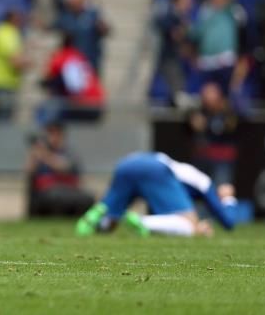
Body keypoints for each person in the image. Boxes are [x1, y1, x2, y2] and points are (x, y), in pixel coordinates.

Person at [76, 152, 238, 237]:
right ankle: (143, 222)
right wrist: (227, 198)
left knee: (111, 221)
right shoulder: (205, 183)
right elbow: (228, 222)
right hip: (155, 168)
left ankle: (97, 216)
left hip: (128, 163)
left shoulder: (183, 171)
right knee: (189, 224)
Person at [26, 123, 94, 217]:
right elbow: (29, 172)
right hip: (47, 190)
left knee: (88, 198)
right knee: (54, 196)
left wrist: (44, 154)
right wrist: (33, 155)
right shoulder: (39, 152)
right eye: (50, 133)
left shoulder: (69, 152)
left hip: (67, 188)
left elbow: (64, 167)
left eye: (56, 133)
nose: (53, 137)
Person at [38, 34, 105, 125]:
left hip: (80, 104)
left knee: (49, 115)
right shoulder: (80, 56)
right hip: (97, 103)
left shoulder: (61, 57)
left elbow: (48, 78)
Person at [188, 82, 241, 186]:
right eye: (205, 94)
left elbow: (232, 128)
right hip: (201, 159)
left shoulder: (228, 113)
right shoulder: (198, 112)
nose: (208, 98)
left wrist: (207, 125)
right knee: (198, 190)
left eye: (211, 94)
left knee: (221, 190)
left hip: (222, 160)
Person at [0, 10, 29, 117]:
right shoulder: (8, 34)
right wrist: (32, 63)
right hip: (3, 84)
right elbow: (15, 61)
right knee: (2, 126)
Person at [154, 0, 194, 105]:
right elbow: (170, 31)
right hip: (169, 57)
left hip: (177, 58)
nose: (189, 2)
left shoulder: (183, 17)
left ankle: (176, 101)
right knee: (176, 83)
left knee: (179, 82)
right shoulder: (170, 15)